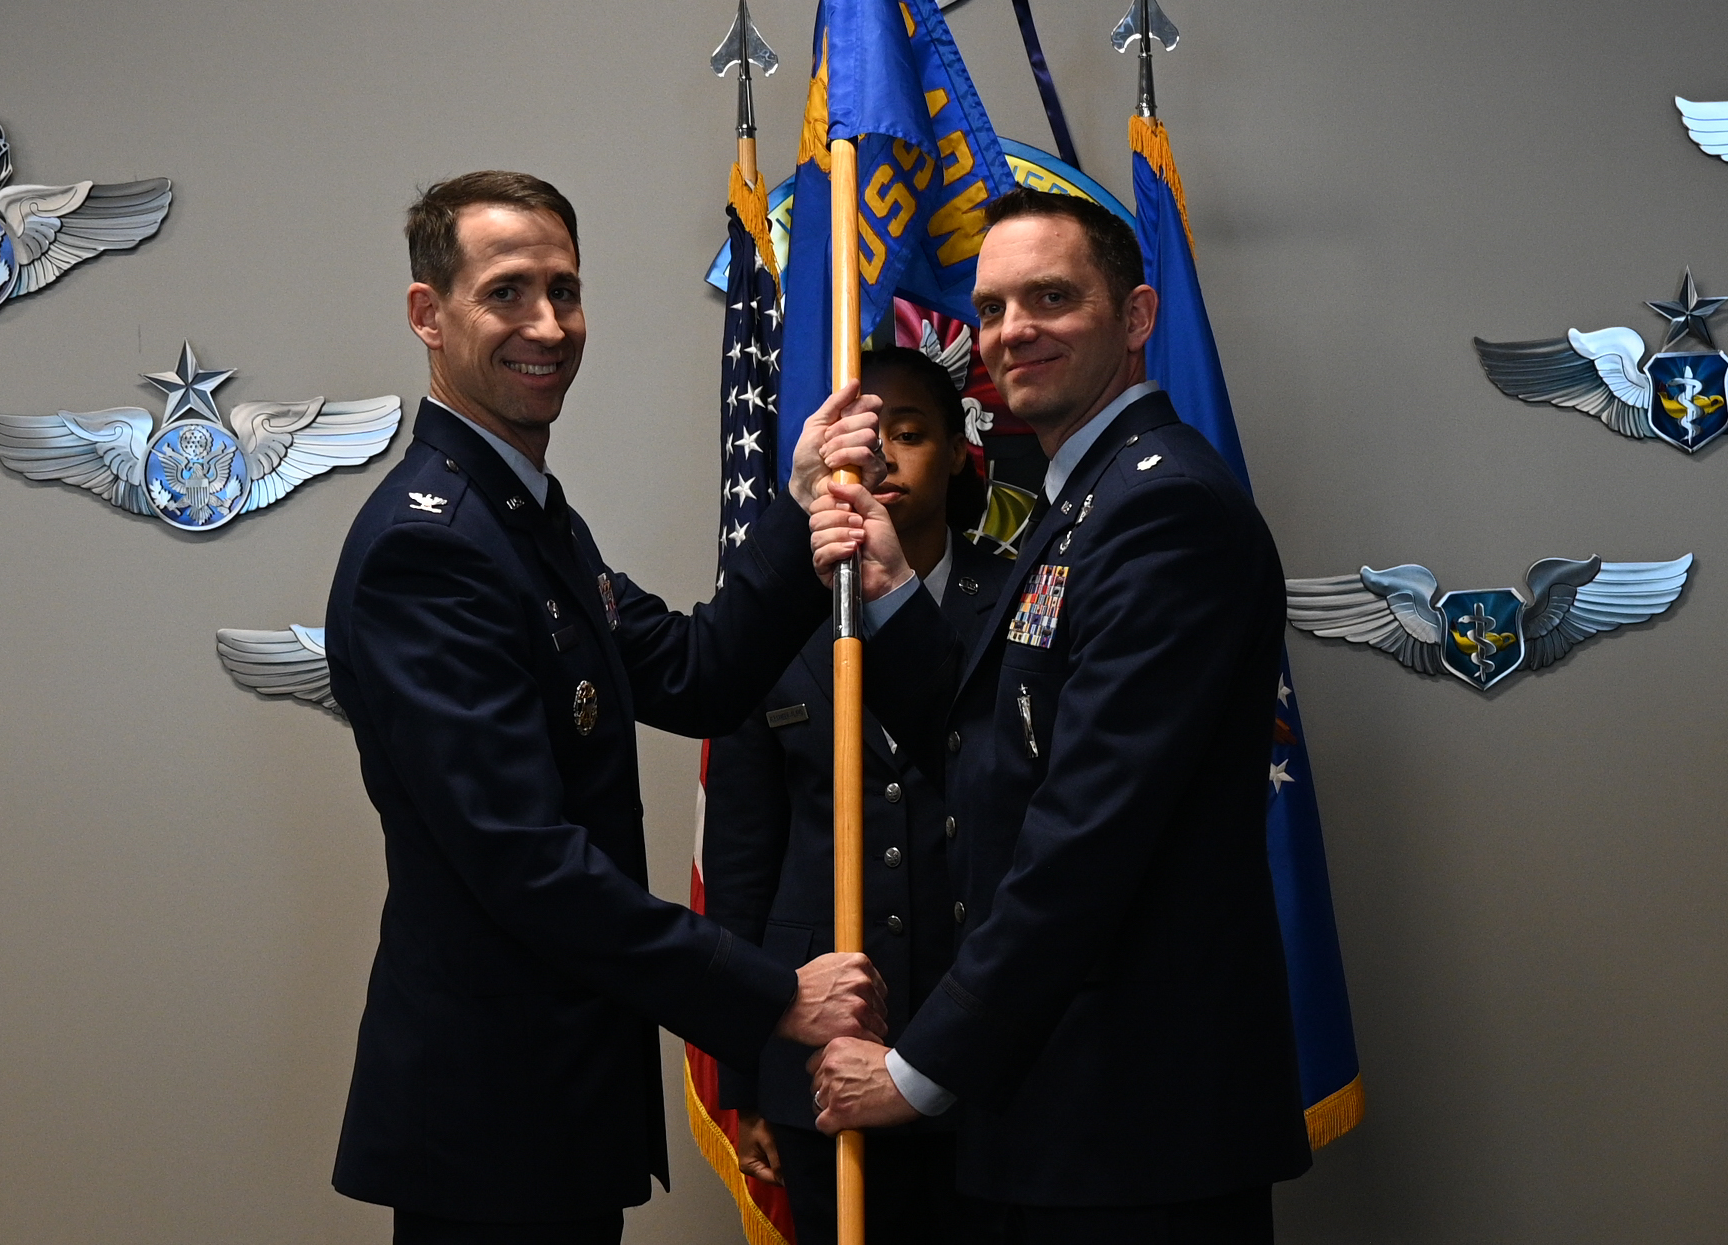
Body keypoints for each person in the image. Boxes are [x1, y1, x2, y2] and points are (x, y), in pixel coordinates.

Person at [325, 171, 890, 1245]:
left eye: (565, 290)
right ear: (426, 316)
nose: (547, 325)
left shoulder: (526, 521)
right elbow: (527, 862)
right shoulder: (429, 548)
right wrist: (773, 996)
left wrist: (801, 499)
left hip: (551, 1108)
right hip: (490, 1124)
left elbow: (693, 672)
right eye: (506, 293)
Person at [806, 188, 1311, 1243]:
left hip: (1135, 1120)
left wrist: (919, 1067)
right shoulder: (1083, 502)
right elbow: (991, 744)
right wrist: (897, 589)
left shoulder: (1161, 508)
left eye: (1051, 297)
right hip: (1066, 1112)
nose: (1011, 330)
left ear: (1134, 319)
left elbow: (1088, 831)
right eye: (991, 309)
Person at [703, 346, 1014, 1245]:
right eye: (865, 440)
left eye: (909, 435)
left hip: (975, 1043)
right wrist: (744, 1076)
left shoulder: (1016, 596)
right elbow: (740, 859)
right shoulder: (769, 612)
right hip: (813, 1058)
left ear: (960, 450)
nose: (880, 462)